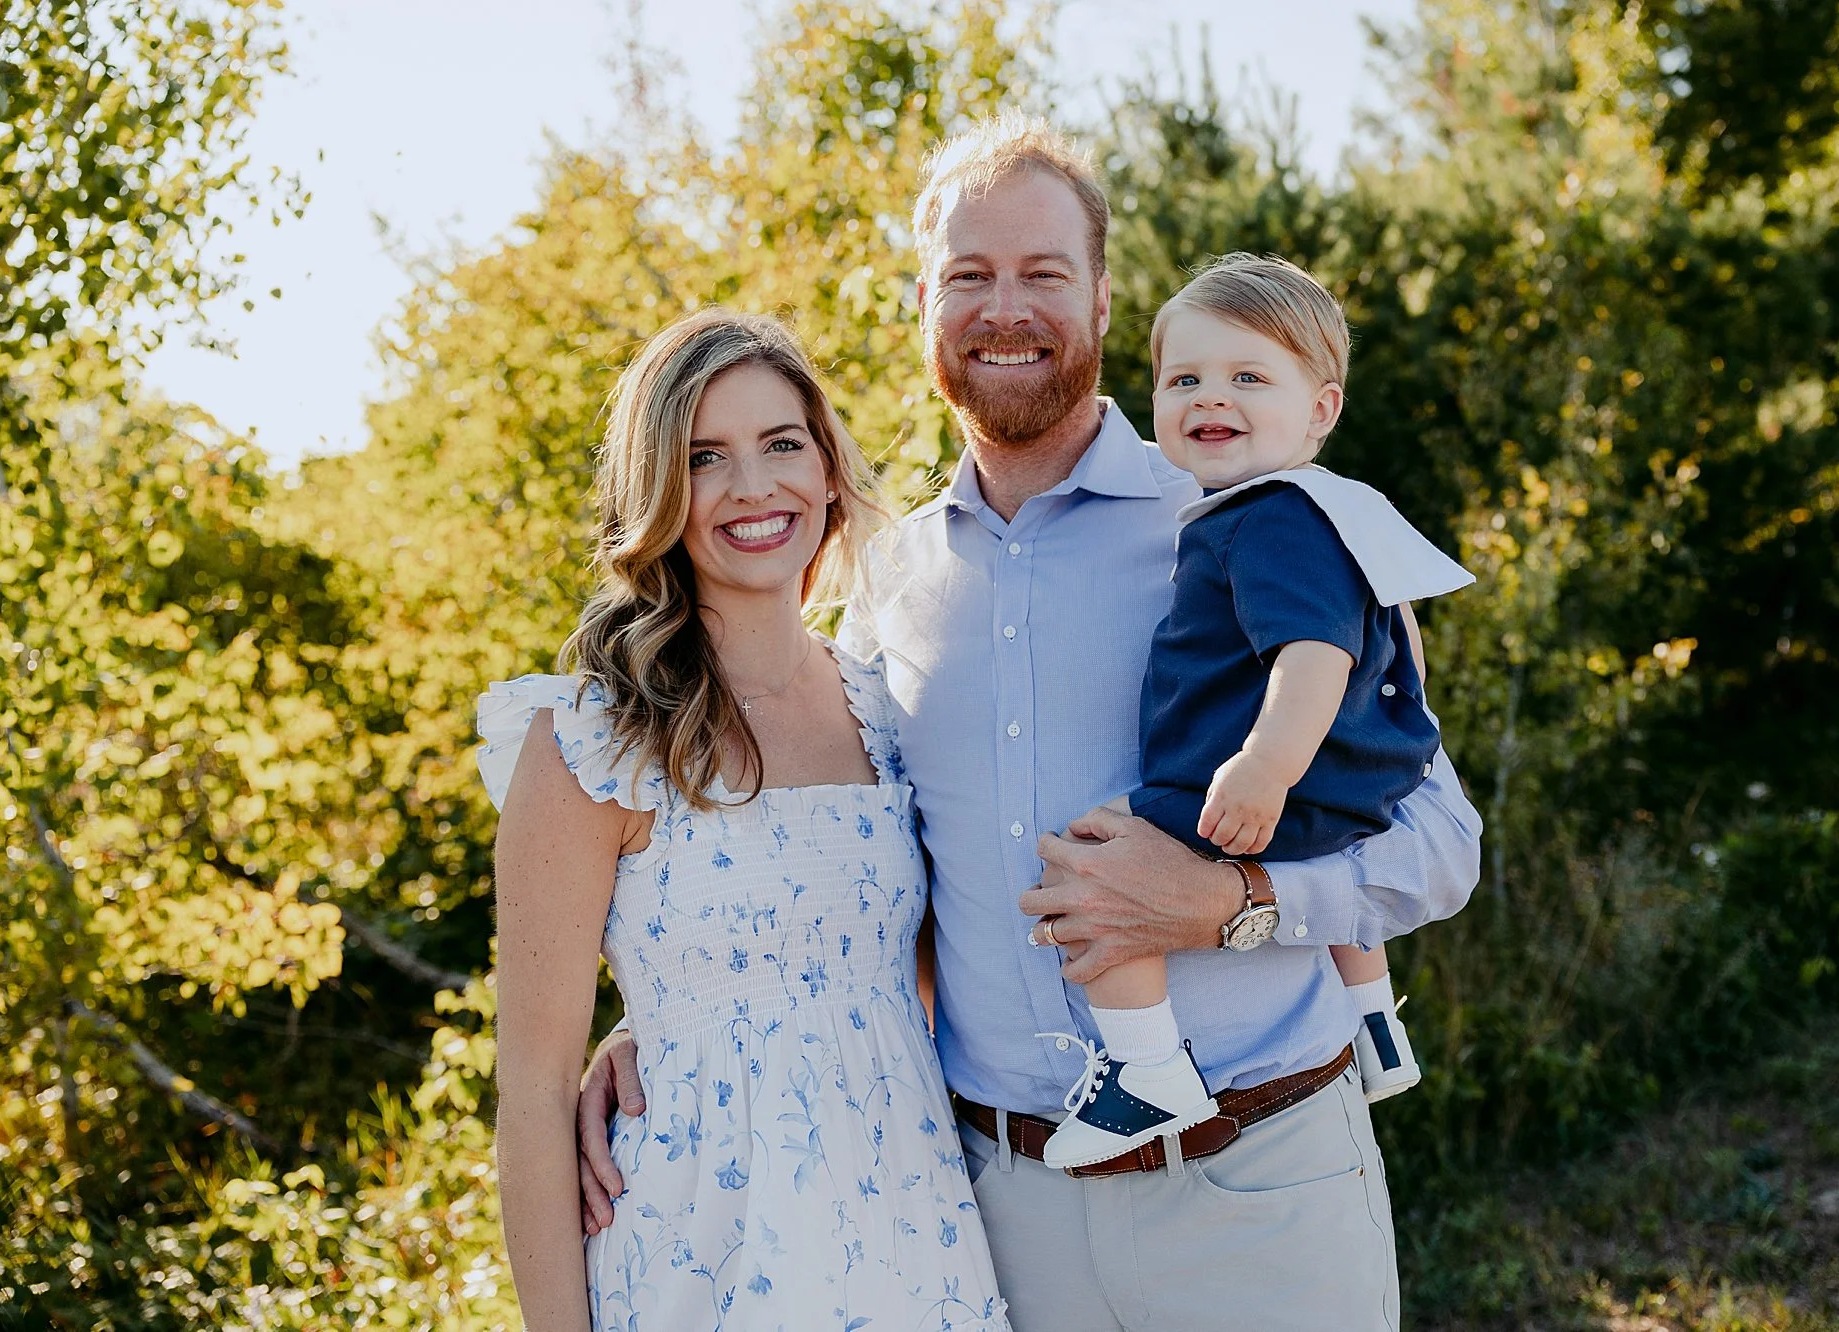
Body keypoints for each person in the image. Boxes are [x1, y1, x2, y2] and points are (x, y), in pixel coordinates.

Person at [579, 114, 1482, 1332]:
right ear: (922, 307)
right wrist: (674, 1020)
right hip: (995, 1210)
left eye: (1043, 273)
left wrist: (1235, 902)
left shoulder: (1249, 517)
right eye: (970, 277)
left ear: (1104, 300)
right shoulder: (876, 584)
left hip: (1256, 1182)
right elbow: (851, 865)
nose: (1006, 307)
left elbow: (1439, 841)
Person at [480, 311, 1007, 1331]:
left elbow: (925, 982)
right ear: (659, 494)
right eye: (704, 458)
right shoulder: (592, 740)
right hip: (696, 1256)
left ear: (824, 467)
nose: (753, 488)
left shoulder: (887, 713)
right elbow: (534, 1096)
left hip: (909, 1235)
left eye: (780, 445)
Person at [1037, 253, 1474, 1171]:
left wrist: (1266, 764)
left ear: (1321, 410)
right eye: (1184, 378)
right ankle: (1374, 1023)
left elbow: (1316, 650)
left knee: (1092, 857)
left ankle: (1147, 1065)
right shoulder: (1327, 509)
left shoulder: (1269, 516)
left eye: (1247, 377)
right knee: (1328, 852)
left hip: (1270, 777)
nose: (1211, 397)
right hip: (1355, 773)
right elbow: (1398, 640)